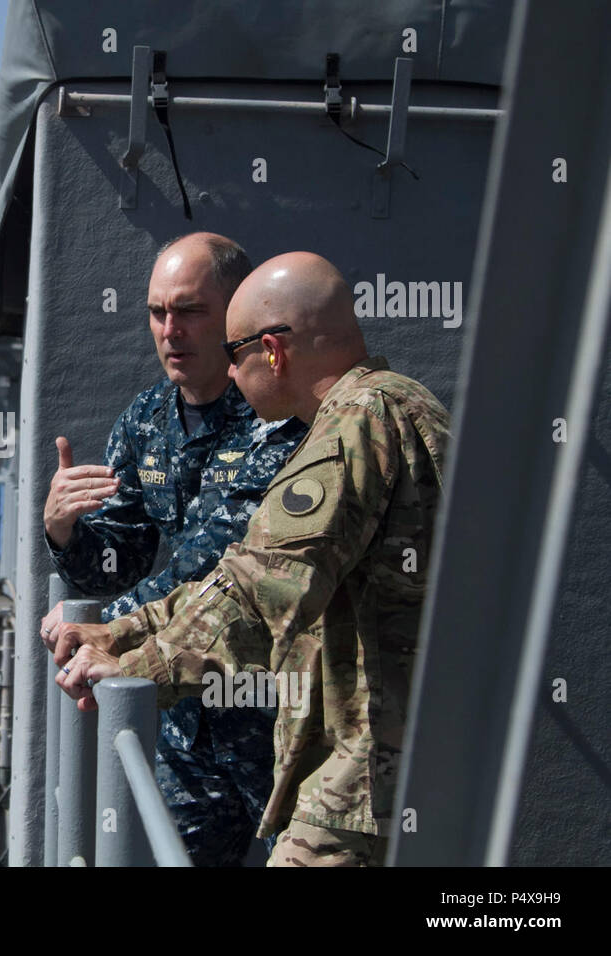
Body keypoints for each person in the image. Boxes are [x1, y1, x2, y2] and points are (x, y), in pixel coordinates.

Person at [54, 252, 450, 866]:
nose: (232, 378)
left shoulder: (353, 426)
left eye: (236, 356)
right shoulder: (399, 408)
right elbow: (242, 571)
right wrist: (121, 629)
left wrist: (140, 668)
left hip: (361, 781)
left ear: (273, 351)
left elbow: (265, 589)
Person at [41, 233, 306, 865]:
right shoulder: (147, 418)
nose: (169, 330)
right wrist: (64, 530)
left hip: (275, 717)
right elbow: (124, 557)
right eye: (157, 312)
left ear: (237, 315)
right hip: (188, 718)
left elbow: (216, 564)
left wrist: (107, 625)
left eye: (189, 311)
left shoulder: (281, 418)